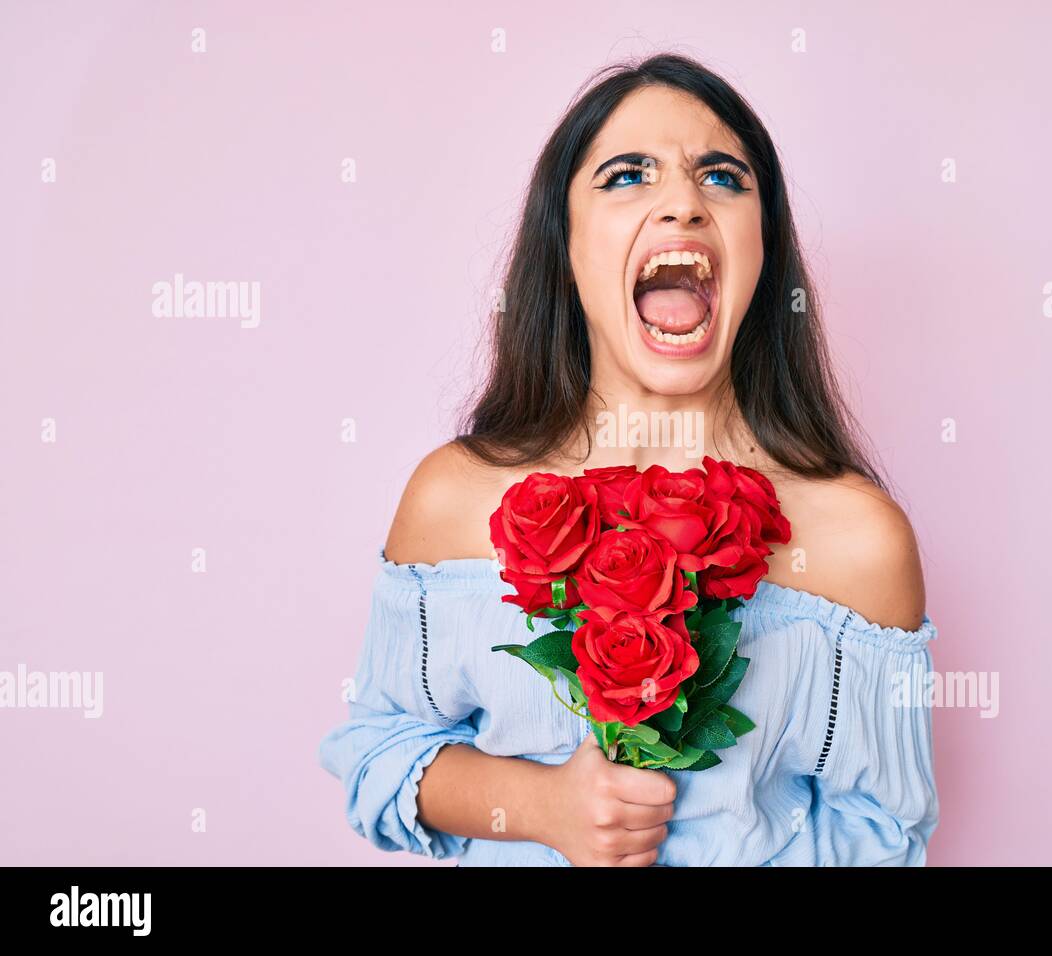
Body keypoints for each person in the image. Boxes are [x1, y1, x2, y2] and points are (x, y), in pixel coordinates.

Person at [318, 52, 939, 867]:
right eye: (626, 176)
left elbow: (885, 837)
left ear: (762, 248)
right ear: (567, 247)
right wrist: (540, 807)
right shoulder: (454, 499)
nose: (683, 201)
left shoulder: (859, 541)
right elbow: (379, 749)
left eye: (722, 177)